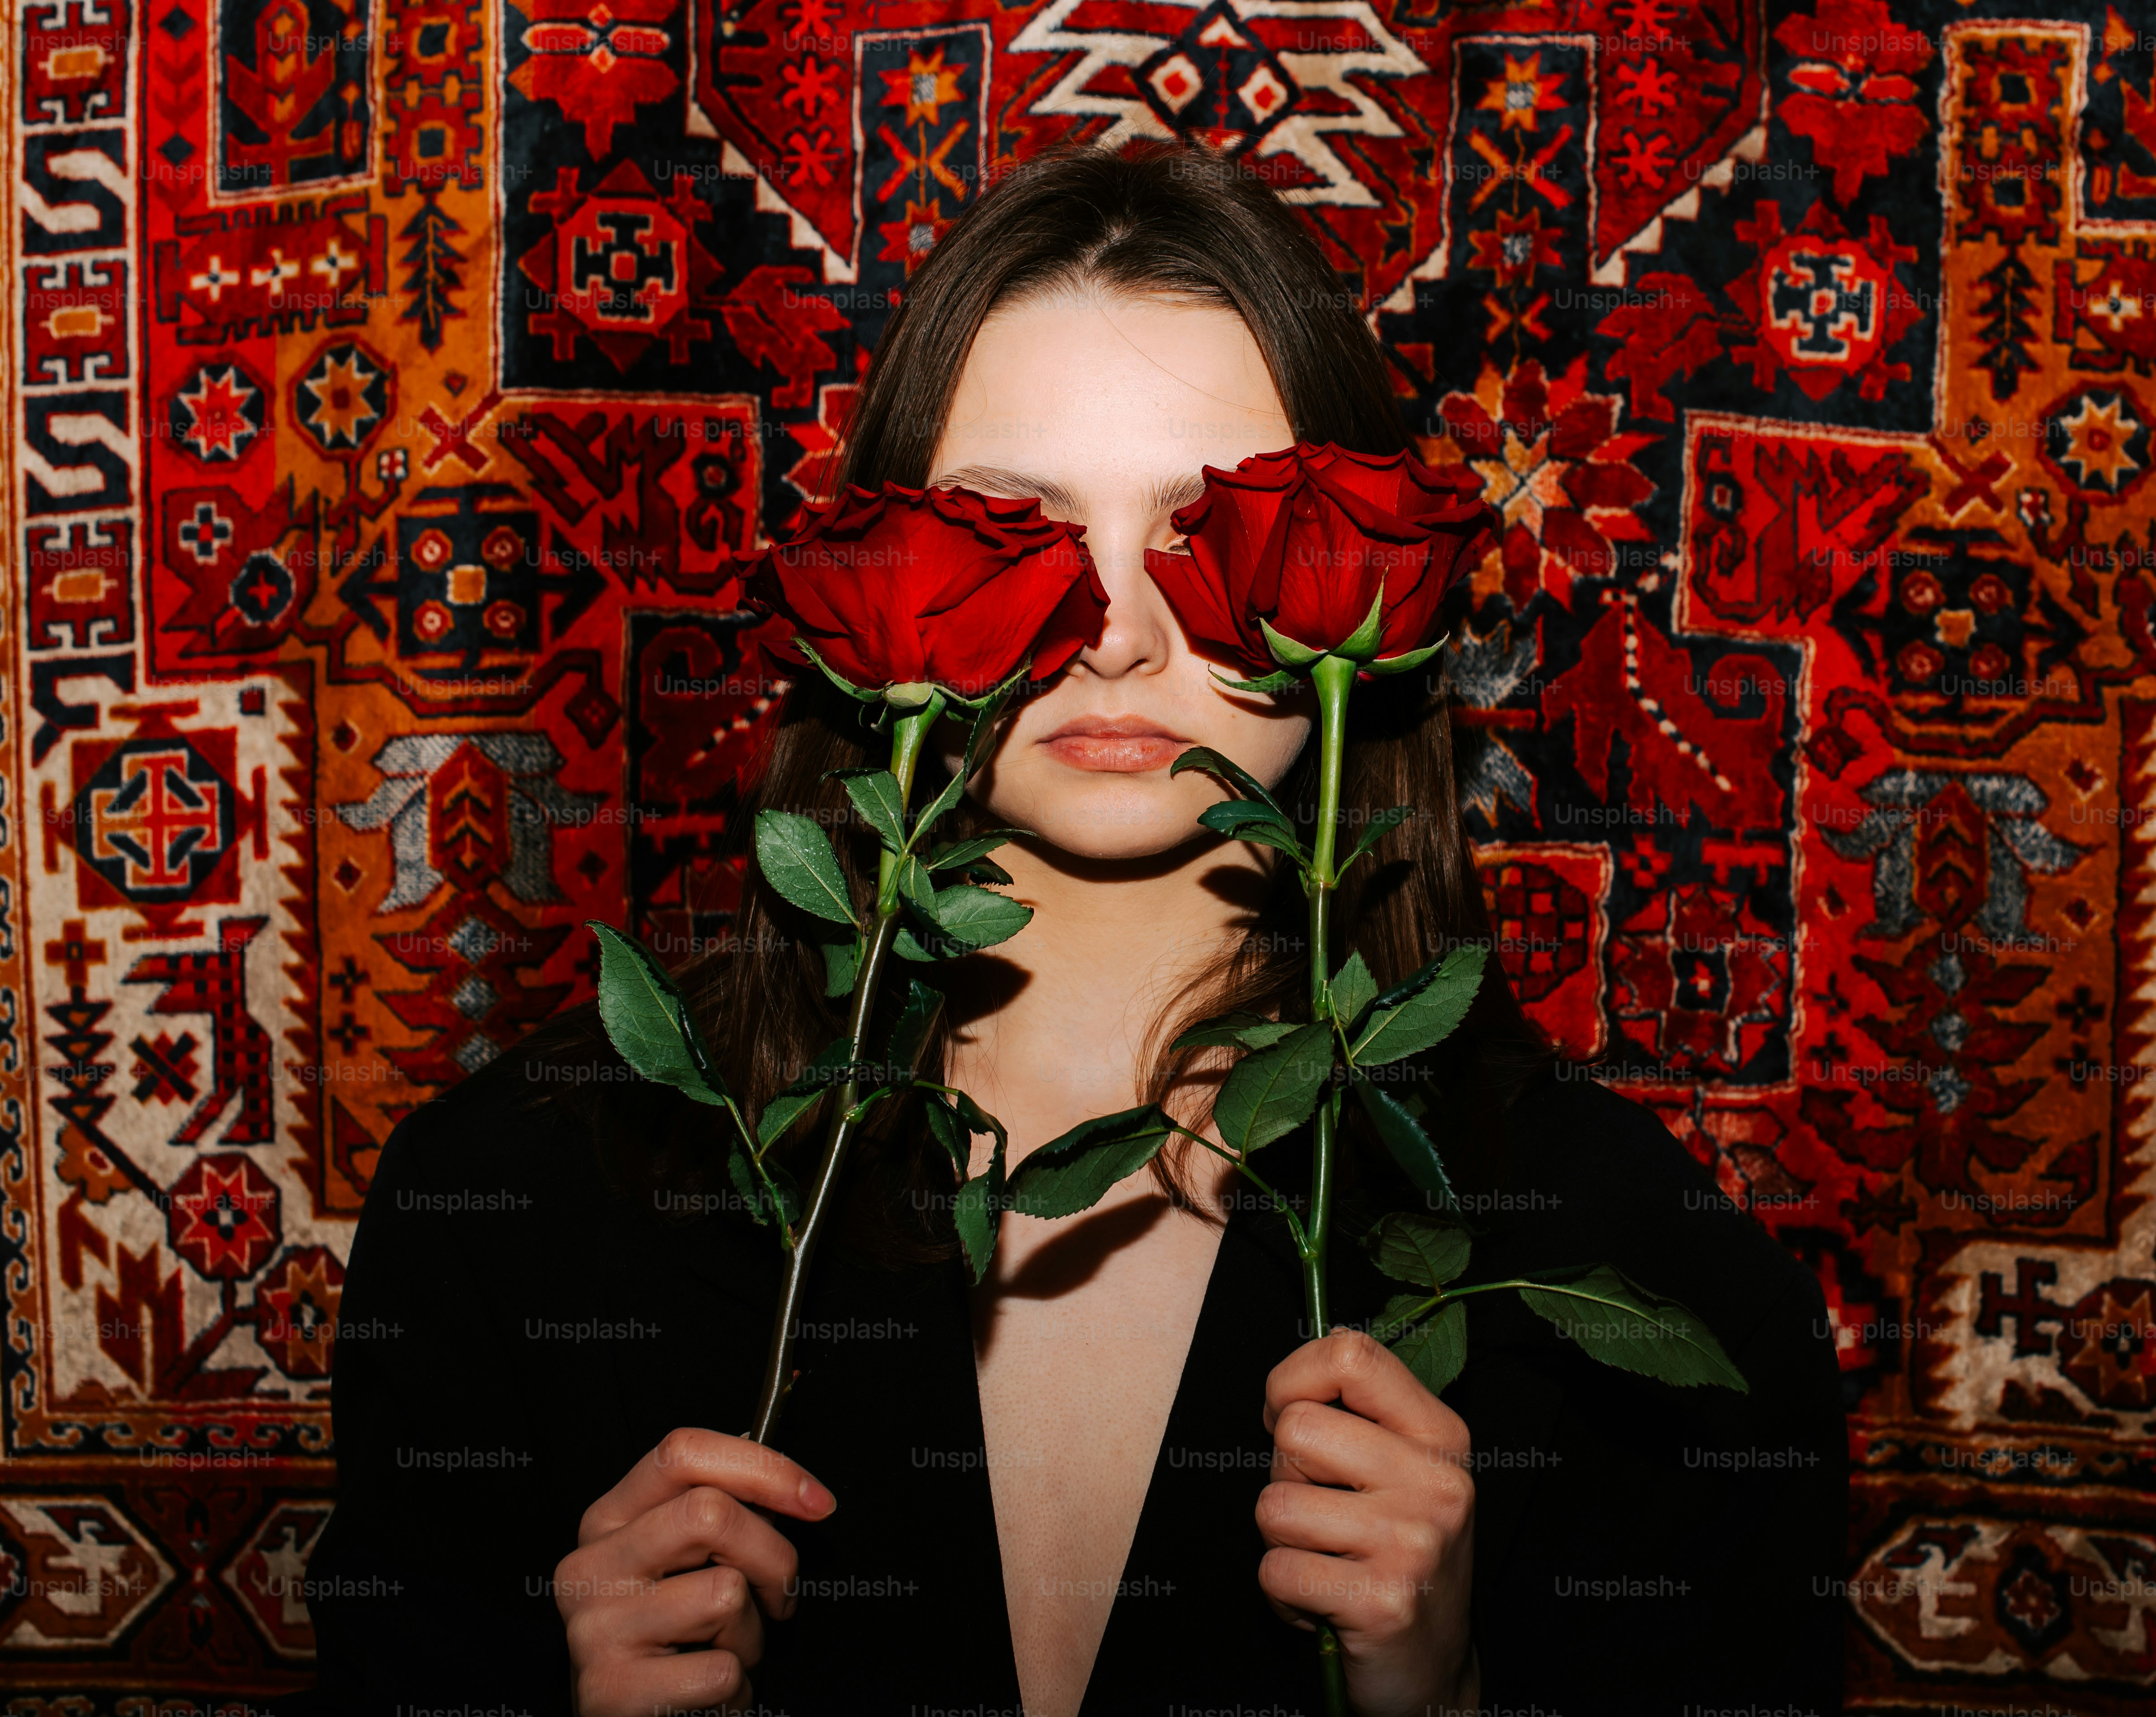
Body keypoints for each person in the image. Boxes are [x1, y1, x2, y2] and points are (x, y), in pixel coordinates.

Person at [302, 140, 1845, 1717]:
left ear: (1370, 570)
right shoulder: (515, 1206)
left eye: (1201, 526)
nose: (1115, 633)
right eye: (1016, 522)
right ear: (870, 573)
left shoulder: (1629, 1271)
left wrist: (1448, 1702)